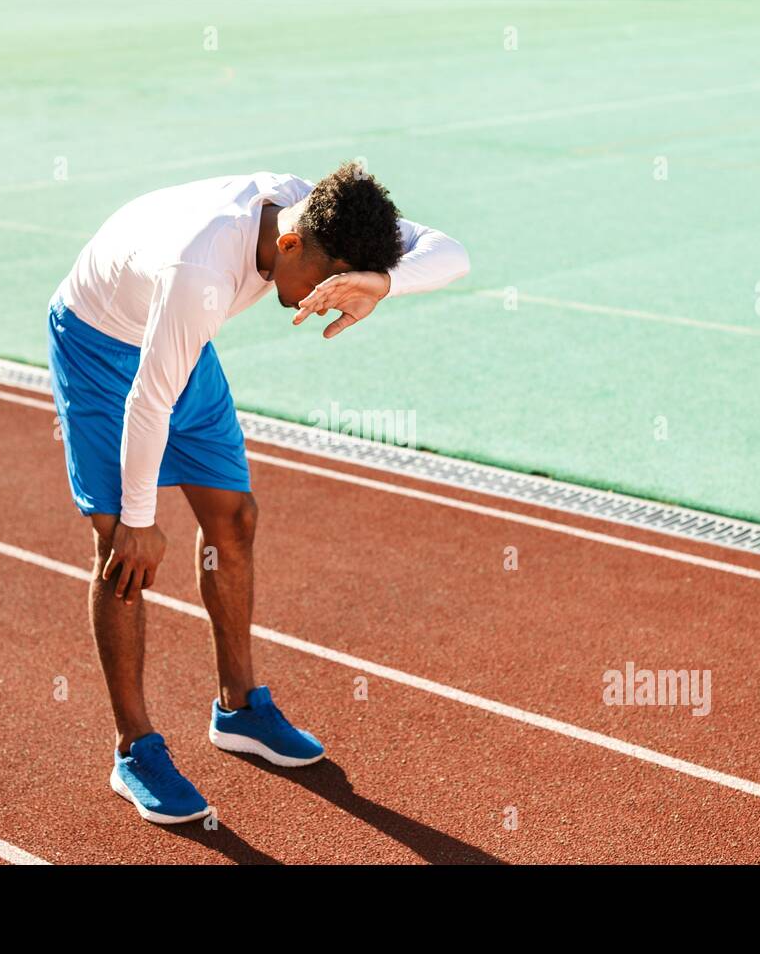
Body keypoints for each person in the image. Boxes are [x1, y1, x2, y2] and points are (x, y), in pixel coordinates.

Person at [48, 161, 470, 823]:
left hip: (175, 341)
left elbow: (452, 254)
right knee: (122, 550)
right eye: (328, 280)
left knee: (233, 517)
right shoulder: (201, 272)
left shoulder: (312, 211)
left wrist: (378, 282)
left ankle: (238, 709)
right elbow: (147, 400)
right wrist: (139, 516)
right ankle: (135, 748)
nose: (324, 295)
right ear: (291, 246)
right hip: (101, 343)